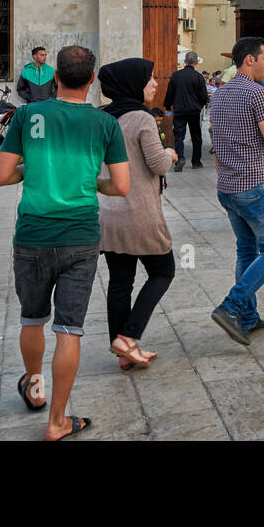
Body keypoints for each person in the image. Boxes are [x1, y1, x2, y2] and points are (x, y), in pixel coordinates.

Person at [0, 44, 131, 441]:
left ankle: (34, 386)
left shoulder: (27, 115)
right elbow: (120, 186)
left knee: (32, 318)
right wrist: (91, 181)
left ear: (54, 77)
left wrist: (33, 168)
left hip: (33, 234)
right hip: (80, 235)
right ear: (92, 81)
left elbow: (2, 176)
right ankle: (57, 422)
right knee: (69, 329)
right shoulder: (105, 124)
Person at [97, 58, 177, 370]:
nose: (156, 84)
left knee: (120, 282)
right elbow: (158, 164)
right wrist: (169, 153)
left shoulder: (103, 117)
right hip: (138, 213)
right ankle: (128, 337)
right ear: (133, 84)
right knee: (163, 271)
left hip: (109, 213)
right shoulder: (142, 119)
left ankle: (123, 352)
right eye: (150, 79)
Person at [208, 36, 264, 344]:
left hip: (228, 186)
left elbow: (216, 142)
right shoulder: (256, 93)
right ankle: (231, 306)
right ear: (249, 60)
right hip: (254, 186)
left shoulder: (219, 93)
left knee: (246, 250)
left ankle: (248, 317)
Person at [164, 51, 209, 171]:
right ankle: (196, 161)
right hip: (194, 111)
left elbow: (170, 93)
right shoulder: (199, 77)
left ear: (184, 62)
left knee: (179, 136)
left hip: (179, 110)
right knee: (196, 136)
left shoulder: (176, 75)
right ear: (196, 62)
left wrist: (167, 106)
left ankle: (180, 158)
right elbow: (203, 96)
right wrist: (200, 105)